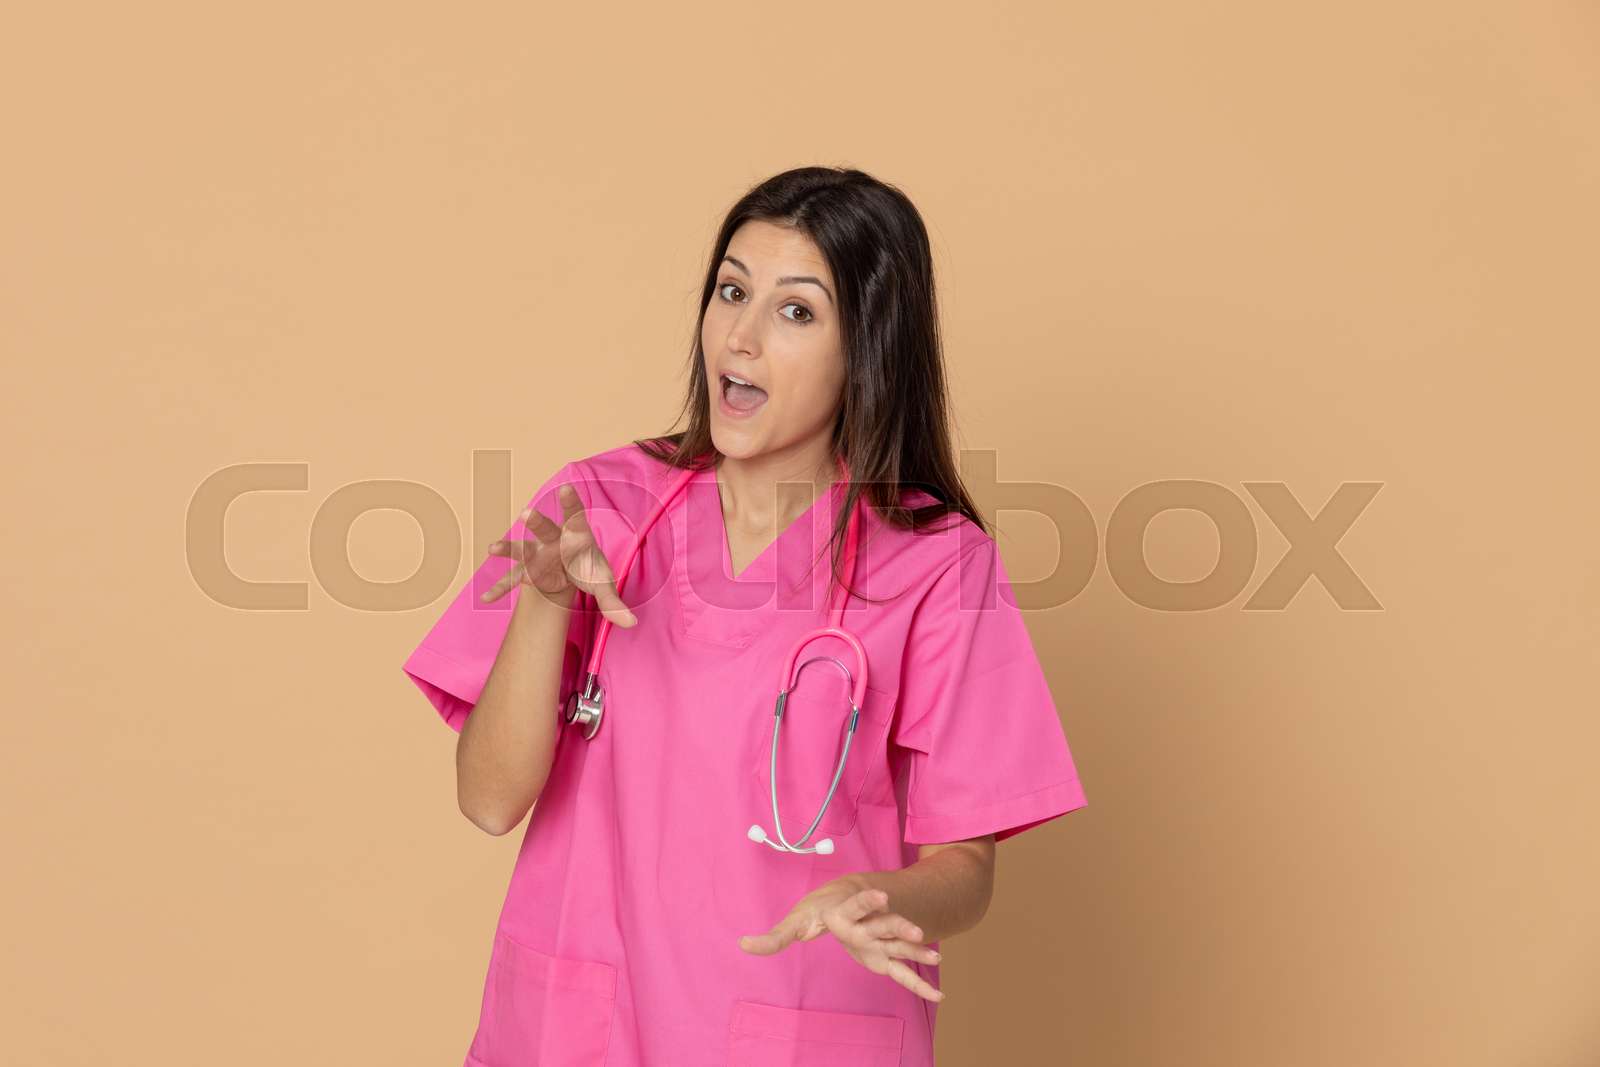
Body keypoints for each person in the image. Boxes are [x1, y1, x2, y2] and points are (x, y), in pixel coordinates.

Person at [401, 166, 1087, 1066]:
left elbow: (967, 868)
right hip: (582, 1027)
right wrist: (545, 599)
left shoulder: (938, 563)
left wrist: (877, 898)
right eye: (732, 291)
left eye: (795, 310)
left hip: (797, 1020)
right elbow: (489, 802)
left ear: (868, 349)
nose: (741, 335)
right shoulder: (595, 507)